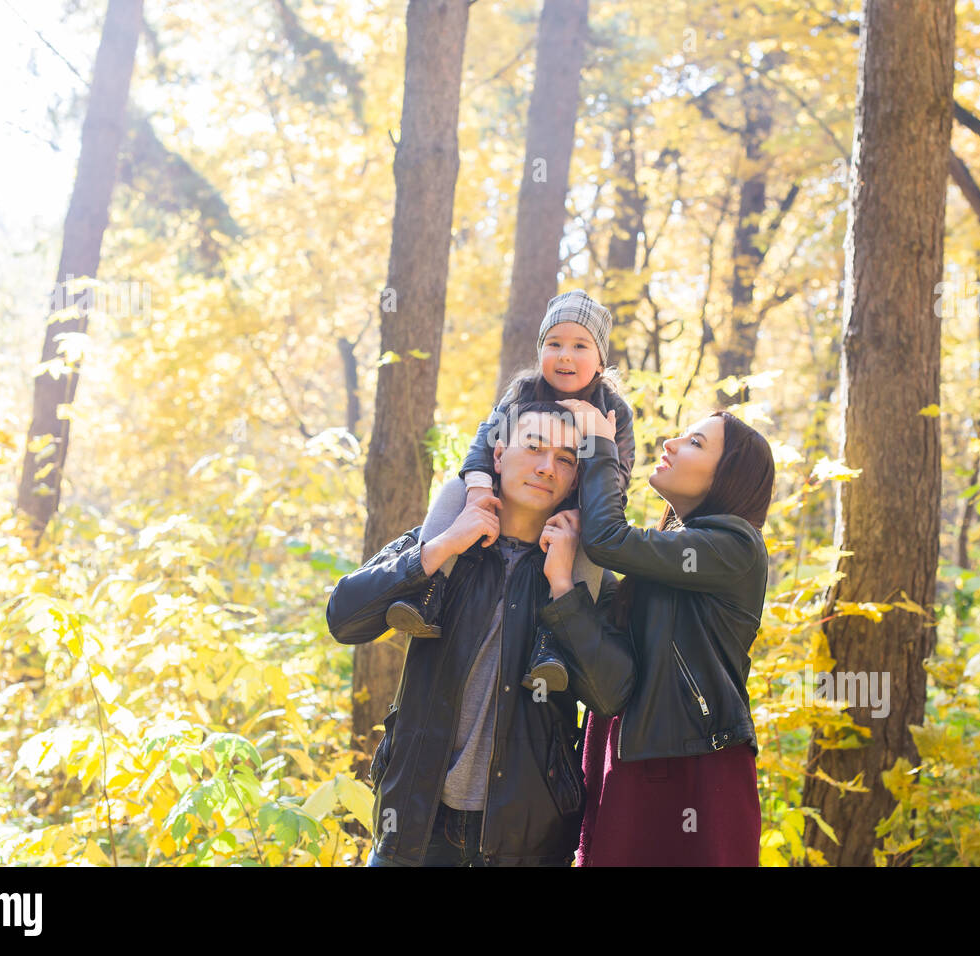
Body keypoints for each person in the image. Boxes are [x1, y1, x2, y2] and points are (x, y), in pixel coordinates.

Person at [326, 402, 634, 866]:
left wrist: (562, 588)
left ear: (574, 480)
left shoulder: (583, 578)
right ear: (497, 456)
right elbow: (344, 618)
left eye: (566, 459)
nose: (547, 466)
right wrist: (444, 544)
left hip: (528, 839)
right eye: (533, 447)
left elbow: (612, 694)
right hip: (414, 824)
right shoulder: (439, 545)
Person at [383, 290, 636, 697]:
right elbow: (485, 441)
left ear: (601, 361)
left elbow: (619, 474)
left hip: (578, 507)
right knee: (455, 489)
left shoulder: (613, 410)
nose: (565, 356)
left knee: (587, 548)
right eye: (553, 344)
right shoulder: (524, 392)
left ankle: (551, 644)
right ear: (540, 352)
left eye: (579, 346)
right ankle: (428, 589)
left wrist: (589, 508)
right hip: (509, 501)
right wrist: (479, 484)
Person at [557, 398, 776, 866]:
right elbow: (610, 629)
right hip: (628, 750)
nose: (671, 443)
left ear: (728, 476)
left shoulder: (736, 546)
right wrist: (564, 570)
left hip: (696, 767)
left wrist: (600, 448)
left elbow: (608, 540)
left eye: (695, 442)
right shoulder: (672, 552)